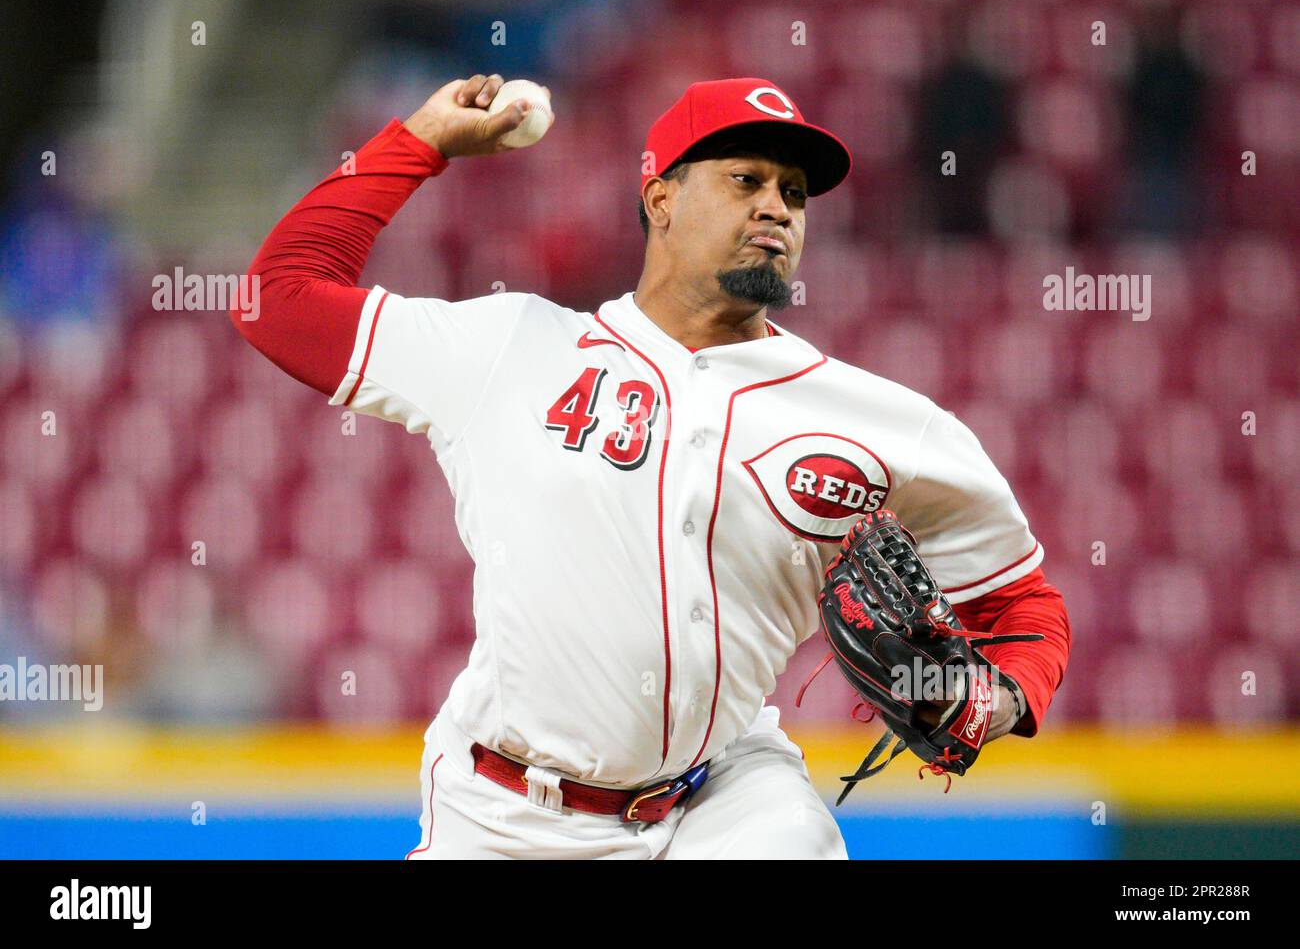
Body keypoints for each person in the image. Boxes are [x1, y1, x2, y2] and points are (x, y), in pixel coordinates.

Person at [230, 74, 1072, 859]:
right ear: (660, 199)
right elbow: (278, 298)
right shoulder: (511, 347)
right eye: (746, 180)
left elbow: (1025, 603)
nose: (776, 208)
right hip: (500, 813)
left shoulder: (886, 426)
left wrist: (996, 702)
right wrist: (419, 142)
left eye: (793, 193)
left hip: (723, 802)